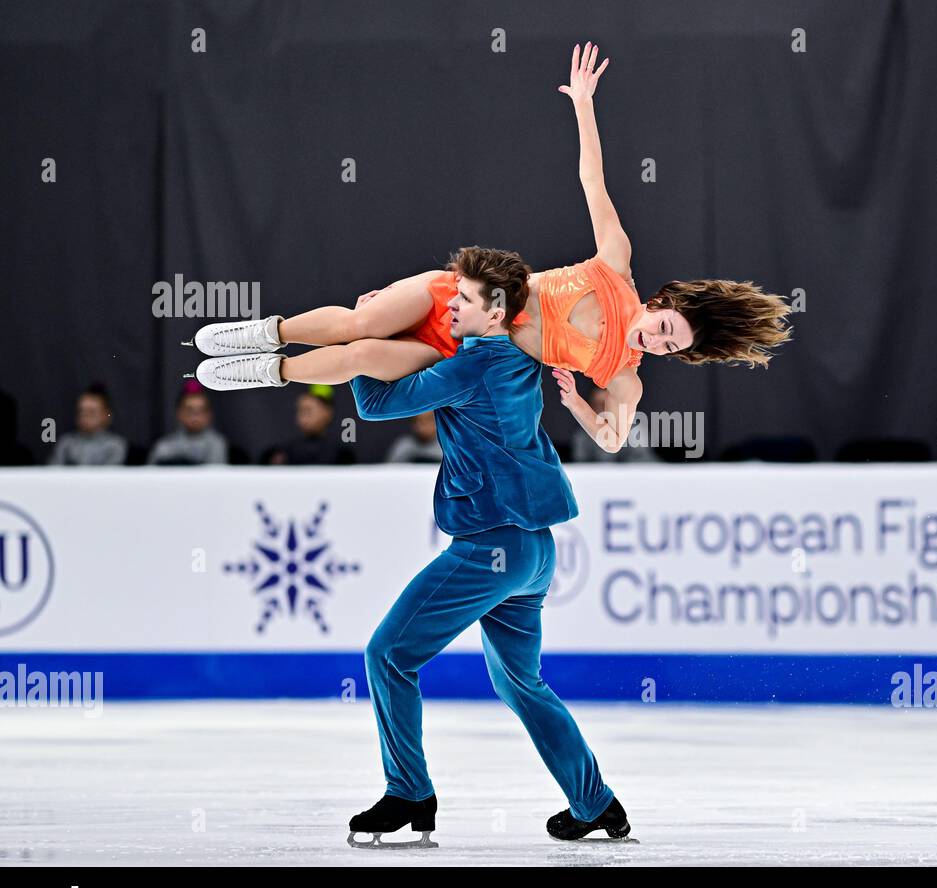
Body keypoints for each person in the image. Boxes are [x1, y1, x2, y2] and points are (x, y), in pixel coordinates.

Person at [189, 41, 792, 457]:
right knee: (360, 321)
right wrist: (584, 106)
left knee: (360, 357)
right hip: (463, 295)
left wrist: (579, 400)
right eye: (664, 326)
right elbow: (593, 181)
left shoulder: (624, 376)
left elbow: (611, 439)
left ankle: (266, 372)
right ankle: (267, 332)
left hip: (467, 344)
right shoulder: (615, 265)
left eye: (668, 346)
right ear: (661, 302)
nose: (654, 339)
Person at [345, 246, 629, 847]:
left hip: (490, 548)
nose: (451, 302)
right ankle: (595, 802)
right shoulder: (523, 357)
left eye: (465, 298)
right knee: (519, 683)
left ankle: (409, 793)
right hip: (533, 551)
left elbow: (372, 401)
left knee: (389, 655)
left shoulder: (472, 364)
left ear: (496, 312)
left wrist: (374, 334)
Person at [261, 385, 356, 465]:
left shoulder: (342, 455)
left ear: (327, 412)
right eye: (300, 410)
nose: (302, 416)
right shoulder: (282, 454)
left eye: (308, 410)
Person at [147, 381, 228, 465]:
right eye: (189, 410)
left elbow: (215, 476)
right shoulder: (163, 447)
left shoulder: (217, 444)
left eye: (201, 410)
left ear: (209, 414)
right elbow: (149, 476)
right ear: (179, 413)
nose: (195, 417)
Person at [47, 383, 128, 466]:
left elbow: (110, 476)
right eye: (81, 411)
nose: (85, 416)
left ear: (105, 415)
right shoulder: (66, 443)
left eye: (91, 412)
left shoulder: (114, 445)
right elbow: (52, 474)